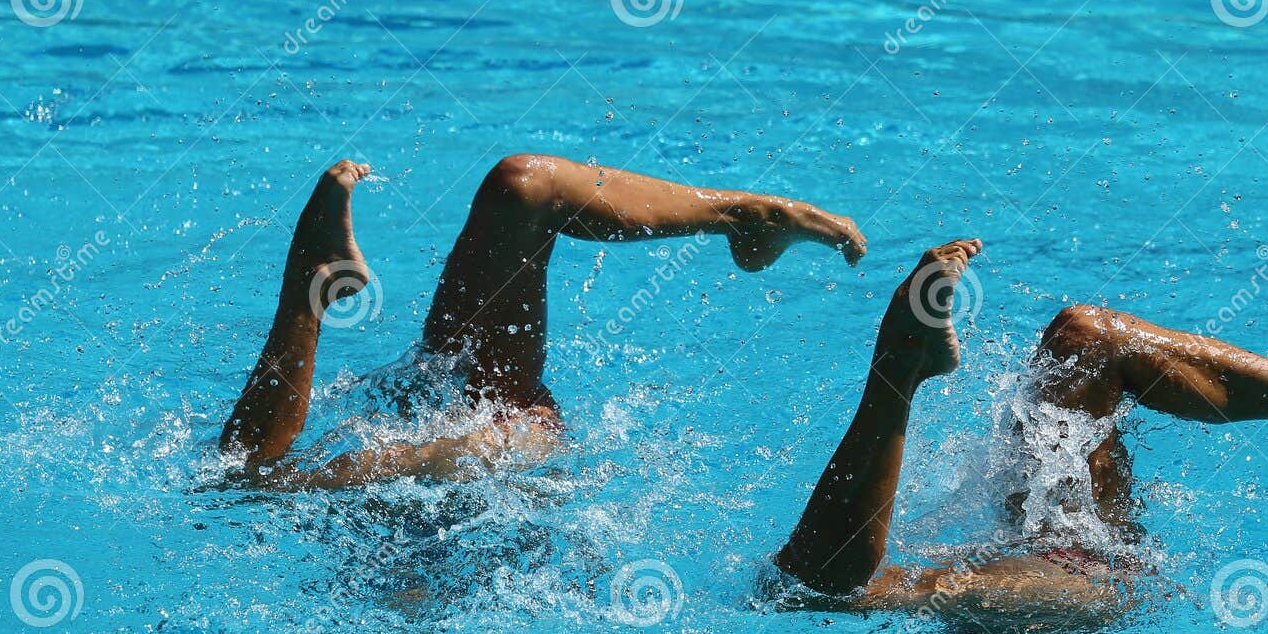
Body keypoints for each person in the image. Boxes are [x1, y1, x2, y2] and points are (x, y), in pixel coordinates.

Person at [771, 239, 1268, 618]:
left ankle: (897, 372)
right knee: (1088, 339)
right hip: (1067, 584)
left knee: (814, 591)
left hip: (1062, 605)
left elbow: (823, 597)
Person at [220, 156, 866, 487]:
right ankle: (741, 217)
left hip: (464, 447)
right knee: (521, 187)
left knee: (247, 481)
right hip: (479, 441)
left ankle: (307, 288)